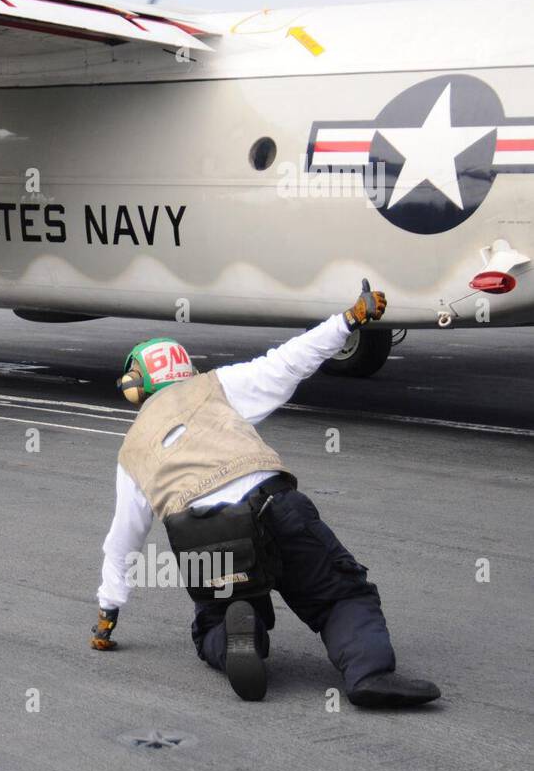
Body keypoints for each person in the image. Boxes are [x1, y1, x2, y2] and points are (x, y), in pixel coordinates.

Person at [90, 281, 440, 708]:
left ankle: (239, 632)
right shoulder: (217, 386)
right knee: (338, 593)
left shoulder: (133, 449)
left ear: (135, 386)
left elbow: (122, 540)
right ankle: (369, 674)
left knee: (216, 617)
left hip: (202, 534)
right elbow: (291, 360)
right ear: (185, 370)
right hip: (272, 503)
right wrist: (348, 320)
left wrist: (108, 615)